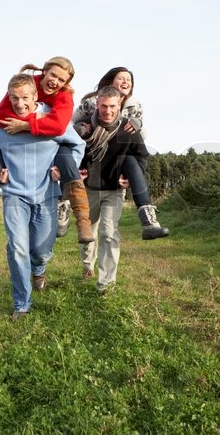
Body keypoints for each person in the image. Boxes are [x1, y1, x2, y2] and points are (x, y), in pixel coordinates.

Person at [0, 56, 93, 246]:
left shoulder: (64, 95)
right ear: (44, 71)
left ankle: (83, 222)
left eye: (62, 80)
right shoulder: (23, 85)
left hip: (55, 141)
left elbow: (59, 126)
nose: (55, 81)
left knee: (67, 159)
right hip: (17, 160)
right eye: (53, 75)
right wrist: (2, 168)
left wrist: (25, 124)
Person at [0, 74, 85, 318]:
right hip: (14, 193)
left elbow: (78, 145)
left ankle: (39, 268)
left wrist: (64, 170)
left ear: (35, 96)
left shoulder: (51, 118)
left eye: (25, 97)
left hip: (46, 193)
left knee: (40, 249)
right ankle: (21, 304)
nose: (20, 103)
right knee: (17, 248)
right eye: (14, 98)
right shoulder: (1, 121)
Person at [63, 66, 169, 240]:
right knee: (67, 153)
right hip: (93, 153)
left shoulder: (135, 105)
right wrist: (80, 129)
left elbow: (140, 140)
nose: (126, 81)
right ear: (110, 82)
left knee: (131, 159)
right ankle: (64, 205)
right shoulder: (91, 101)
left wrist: (136, 124)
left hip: (118, 157)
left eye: (129, 79)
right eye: (121, 78)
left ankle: (148, 218)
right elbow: (69, 127)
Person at [76, 86, 164, 294]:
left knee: (108, 232)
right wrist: (77, 170)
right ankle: (88, 264)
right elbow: (72, 151)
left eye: (112, 106)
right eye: (104, 106)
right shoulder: (85, 127)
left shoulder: (127, 129)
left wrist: (129, 178)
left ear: (119, 107)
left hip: (114, 189)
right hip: (89, 189)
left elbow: (141, 157)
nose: (108, 111)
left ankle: (106, 283)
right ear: (97, 104)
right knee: (89, 232)